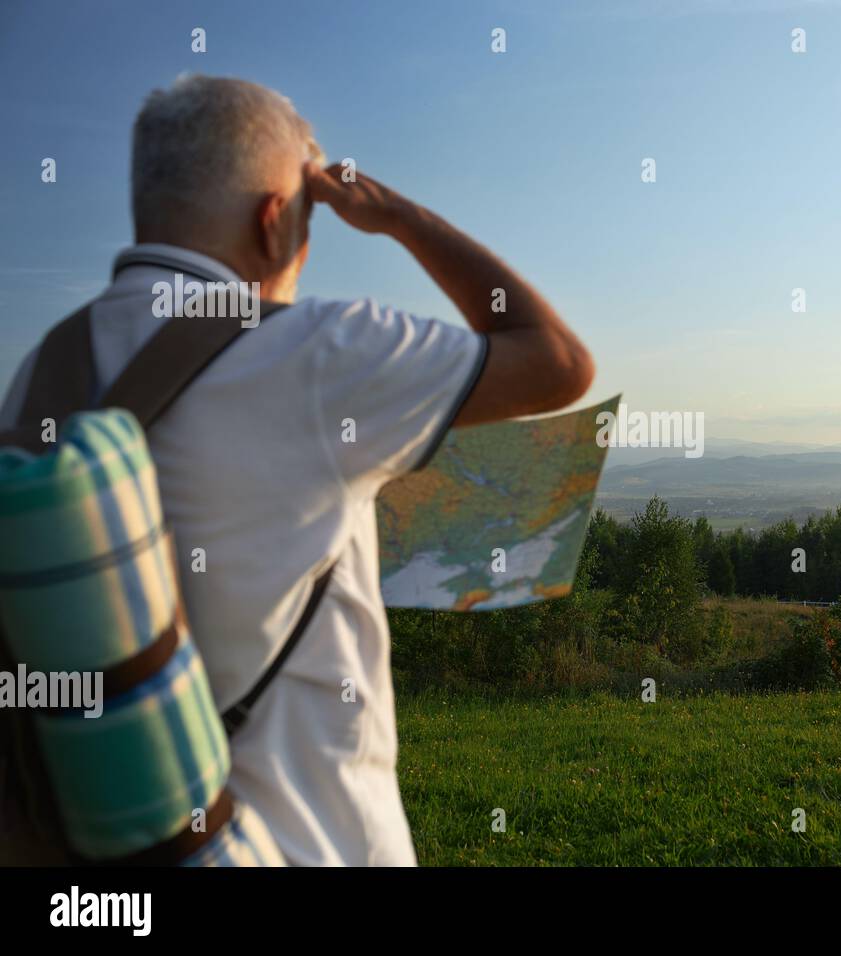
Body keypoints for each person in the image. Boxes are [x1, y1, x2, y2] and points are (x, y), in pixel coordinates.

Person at [0, 74, 594, 865]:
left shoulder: (38, 373)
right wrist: (399, 217)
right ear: (275, 219)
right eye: (309, 219)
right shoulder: (315, 352)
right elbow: (557, 362)